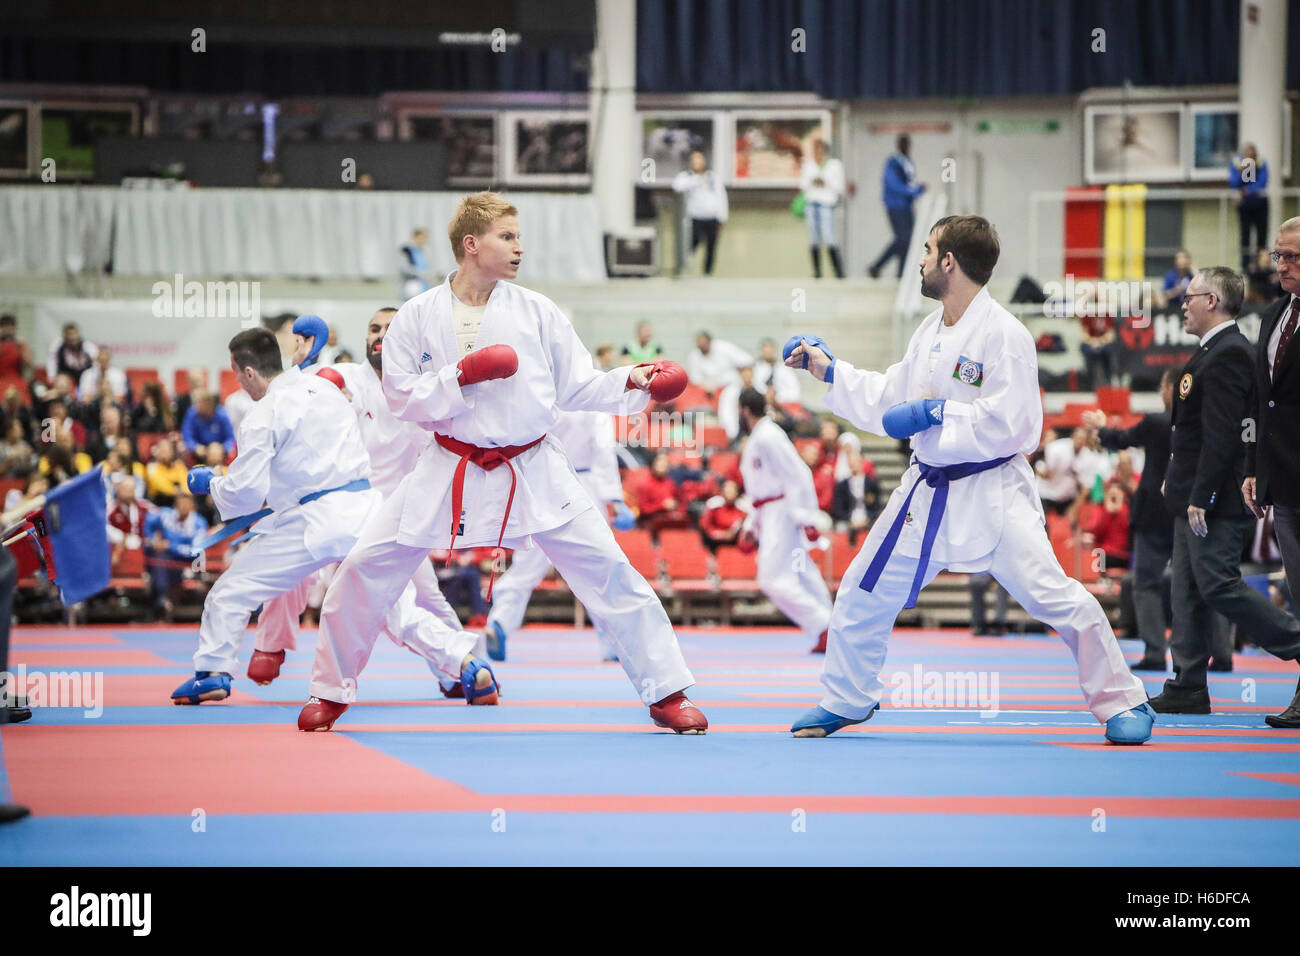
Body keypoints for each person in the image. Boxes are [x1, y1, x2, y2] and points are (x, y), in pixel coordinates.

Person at [301, 191, 708, 734]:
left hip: (534, 463)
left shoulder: (537, 311)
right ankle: (331, 689)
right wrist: (460, 377)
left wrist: (633, 380)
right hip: (448, 464)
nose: (520, 248)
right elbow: (400, 397)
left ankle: (667, 693)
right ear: (472, 245)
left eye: (519, 237)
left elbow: (578, 386)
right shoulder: (416, 317)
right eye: (508, 237)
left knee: (608, 570)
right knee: (363, 568)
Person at [783, 214, 1155, 744]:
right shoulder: (929, 329)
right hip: (926, 489)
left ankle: (1123, 699)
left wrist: (940, 415)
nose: (921, 259)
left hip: (993, 493)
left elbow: (1020, 426)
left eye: (928, 249)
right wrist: (830, 371)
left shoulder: (1006, 335)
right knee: (862, 590)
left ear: (949, 262)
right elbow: (893, 395)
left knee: (1056, 597)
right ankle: (846, 697)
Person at [170, 327, 500, 709]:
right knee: (397, 609)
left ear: (246, 372)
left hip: (314, 522)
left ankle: (211, 671)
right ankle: (466, 662)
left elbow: (243, 493)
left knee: (233, 590)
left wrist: (210, 483)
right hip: (367, 508)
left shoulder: (263, 415)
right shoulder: (323, 388)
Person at [247, 308, 478, 698]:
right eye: (374, 329)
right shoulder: (348, 377)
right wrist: (304, 366)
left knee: (426, 597)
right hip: (345, 506)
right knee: (293, 561)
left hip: (399, 516)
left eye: (389, 330)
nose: (380, 336)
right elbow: (318, 384)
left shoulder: (426, 392)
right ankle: (271, 644)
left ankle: (460, 672)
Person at [1148, 266, 1300, 720]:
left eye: (1189, 297)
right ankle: (1188, 683)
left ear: (1212, 301)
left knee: (1218, 585)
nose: (1183, 305)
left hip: (1212, 500)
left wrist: (1203, 493)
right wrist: (1180, 480)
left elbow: (1224, 434)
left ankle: (1295, 641)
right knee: (1187, 591)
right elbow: (1195, 433)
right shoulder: (1212, 352)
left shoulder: (1230, 353)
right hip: (1192, 493)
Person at [484, 408, 634, 664]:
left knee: (526, 564)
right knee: (596, 568)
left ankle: (499, 621)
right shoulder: (591, 395)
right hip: (583, 485)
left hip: (540, 482)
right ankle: (612, 642)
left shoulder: (543, 389)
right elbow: (603, 448)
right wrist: (615, 498)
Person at [1243, 217, 1300, 727]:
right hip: (1282, 479)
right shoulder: (1273, 316)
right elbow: (1265, 401)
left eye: (1293, 258)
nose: (1282, 266)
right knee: (1299, 589)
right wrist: (1254, 468)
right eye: (1278, 256)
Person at [1083, 370, 1178, 670]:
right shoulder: (1201, 423)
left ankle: (1154, 651)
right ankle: (1219, 652)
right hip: (1190, 509)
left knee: (1146, 584)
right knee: (1200, 586)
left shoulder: (1157, 422)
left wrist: (1101, 428)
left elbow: (1122, 439)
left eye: (1163, 386)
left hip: (1153, 514)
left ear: (1172, 389)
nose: (1161, 391)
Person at [737, 387, 832, 654]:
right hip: (771, 513)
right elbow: (760, 490)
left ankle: (824, 624)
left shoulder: (768, 436)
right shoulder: (761, 436)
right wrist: (751, 526)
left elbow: (797, 473)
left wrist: (807, 518)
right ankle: (834, 627)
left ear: (743, 410)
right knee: (801, 571)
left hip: (782, 512)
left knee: (772, 579)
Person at [868, 135, 925, 279]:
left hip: (907, 205)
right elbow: (894, 184)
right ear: (899, 145)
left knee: (908, 241)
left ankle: (901, 273)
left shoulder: (908, 162)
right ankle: (877, 266)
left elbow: (909, 182)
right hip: (895, 205)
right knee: (903, 238)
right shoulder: (894, 162)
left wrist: (915, 190)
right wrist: (914, 191)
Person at [144, 489, 207, 621]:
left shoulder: (199, 523)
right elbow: (148, 520)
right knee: (159, 558)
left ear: (192, 506)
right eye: (180, 504)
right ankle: (161, 601)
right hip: (168, 561)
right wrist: (153, 540)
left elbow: (195, 550)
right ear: (175, 506)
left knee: (164, 558)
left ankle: (162, 603)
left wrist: (171, 546)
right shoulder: (166, 515)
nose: (183, 507)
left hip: (189, 563)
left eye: (186, 504)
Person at [672, 151, 728, 276]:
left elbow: (721, 197)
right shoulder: (686, 176)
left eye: (700, 160)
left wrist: (723, 216)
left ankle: (707, 273)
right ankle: (683, 269)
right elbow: (677, 186)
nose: (697, 163)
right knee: (691, 245)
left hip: (712, 218)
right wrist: (697, 179)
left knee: (711, 248)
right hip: (696, 217)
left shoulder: (713, 177)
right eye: (694, 160)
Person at [800, 138, 846, 278]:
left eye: (821, 151)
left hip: (826, 205)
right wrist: (812, 181)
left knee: (829, 237)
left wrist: (825, 181)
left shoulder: (834, 165)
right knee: (814, 238)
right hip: (812, 205)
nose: (818, 154)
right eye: (816, 151)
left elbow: (840, 187)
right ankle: (817, 272)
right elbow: (802, 185)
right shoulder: (809, 165)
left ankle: (838, 273)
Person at [1230, 143, 1270, 269]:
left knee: (1261, 235)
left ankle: (1260, 264)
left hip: (1259, 203)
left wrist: (1248, 191)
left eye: (1252, 155)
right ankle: (1245, 265)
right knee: (1245, 235)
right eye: (1247, 155)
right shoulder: (1237, 163)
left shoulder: (1261, 163)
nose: (1250, 157)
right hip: (1245, 204)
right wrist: (1243, 170)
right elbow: (1233, 183)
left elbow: (1262, 183)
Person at [685, 331, 752, 393]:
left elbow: (747, 361)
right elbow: (695, 379)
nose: (702, 346)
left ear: (709, 341)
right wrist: (706, 388)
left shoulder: (724, 347)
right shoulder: (694, 355)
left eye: (704, 343)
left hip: (732, 386)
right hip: (710, 392)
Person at [180, 389, 236, 458]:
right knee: (182, 448)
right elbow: (187, 435)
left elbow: (230, 437)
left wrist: (223, 447)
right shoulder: (192, 413)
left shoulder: (221, 414)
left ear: (208, 404)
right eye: (196, 403)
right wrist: (195, 447)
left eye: (199, 403)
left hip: (218, 449)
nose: (197, 407)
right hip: (199, 450)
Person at [754, 337, 802, 406]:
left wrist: (776, 397)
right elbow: (755, 387)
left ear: (775, 350)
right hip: (759, 406)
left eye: (771, 347)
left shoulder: (784, 368)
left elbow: (795, 392)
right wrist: (766, 394)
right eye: (765, 347)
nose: (768, 350)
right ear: (761, 350)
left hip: (781, 406)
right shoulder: (755, 368)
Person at [400, 227, 433, 300]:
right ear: (415, 237)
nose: (424, 240)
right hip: (412, 283)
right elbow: (405, 268)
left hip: (425, 284)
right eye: (422, 237)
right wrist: (420, 274)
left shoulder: (424, 251)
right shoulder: (406, 250)